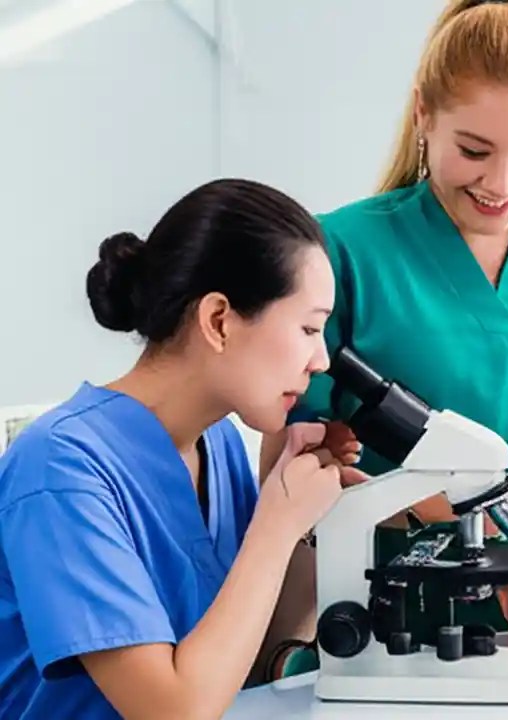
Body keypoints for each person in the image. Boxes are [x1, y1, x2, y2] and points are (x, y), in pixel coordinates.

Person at [260, 0, 508, 635]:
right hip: (375, 627)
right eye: (475, 150)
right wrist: (441, 511)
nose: (501, 181)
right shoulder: (341, 253)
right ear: (423, 115)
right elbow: (289, 469)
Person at [0, 178, 360, 719]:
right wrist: (274, 525)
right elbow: (173, 713)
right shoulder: (60, 468)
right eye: (309, 328)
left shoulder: (216, 446)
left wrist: (312, 524)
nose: (321, 360)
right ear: (219, 321)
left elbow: (252, 665)